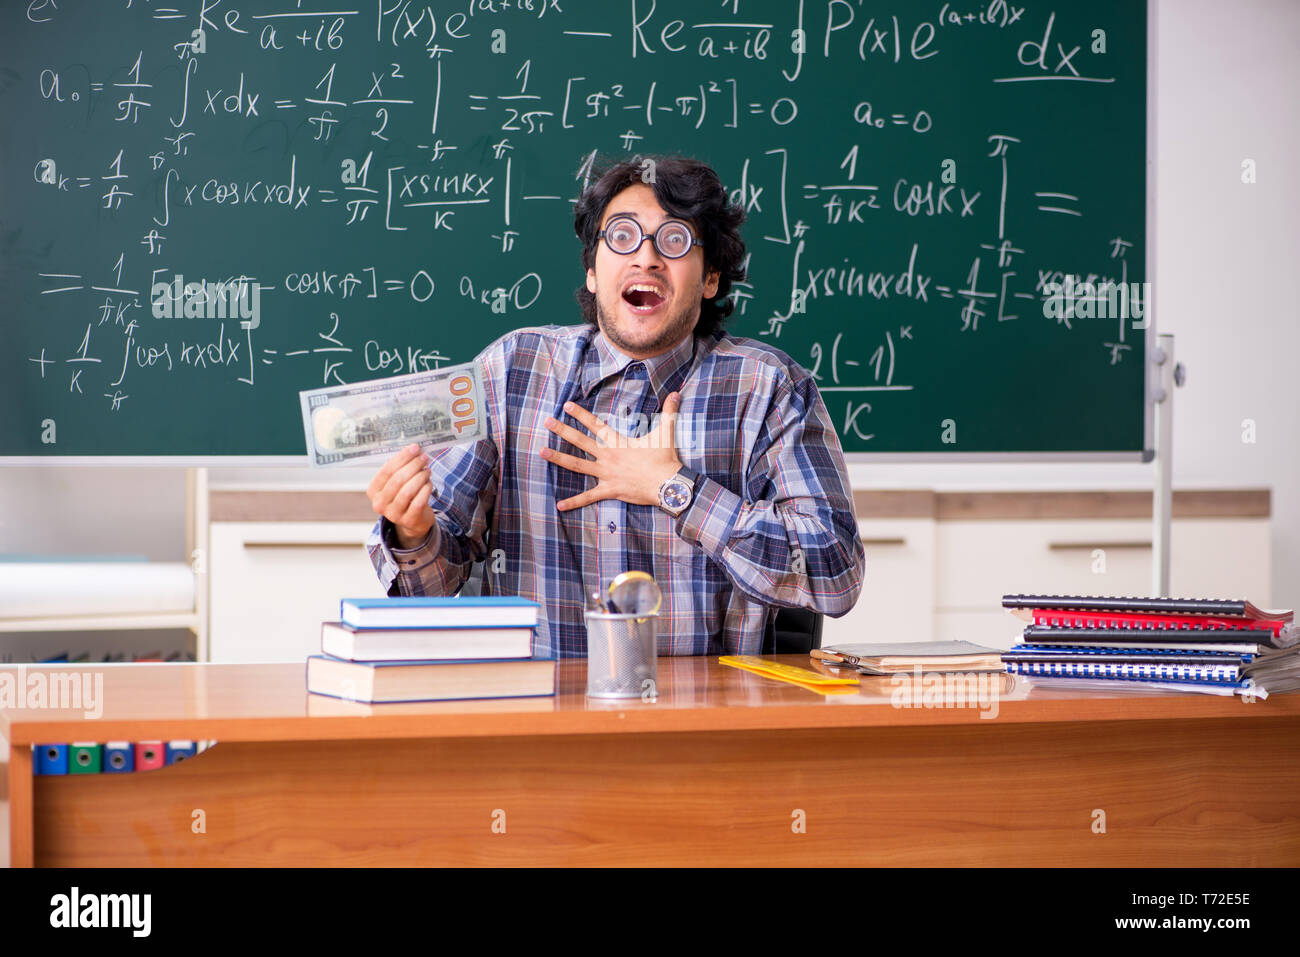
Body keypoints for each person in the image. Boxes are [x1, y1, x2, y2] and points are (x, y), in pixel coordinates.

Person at [365, 155, 864, 658]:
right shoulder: (509, 370)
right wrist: (413, 531)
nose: (646, 259)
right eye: (622, 236)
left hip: (705, 720)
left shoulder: (769, 387)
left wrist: (674, 489)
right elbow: (424, 588)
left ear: (711, 278)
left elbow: (836, 573)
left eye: (673, 240)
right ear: (592, 270)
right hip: (540, 716)